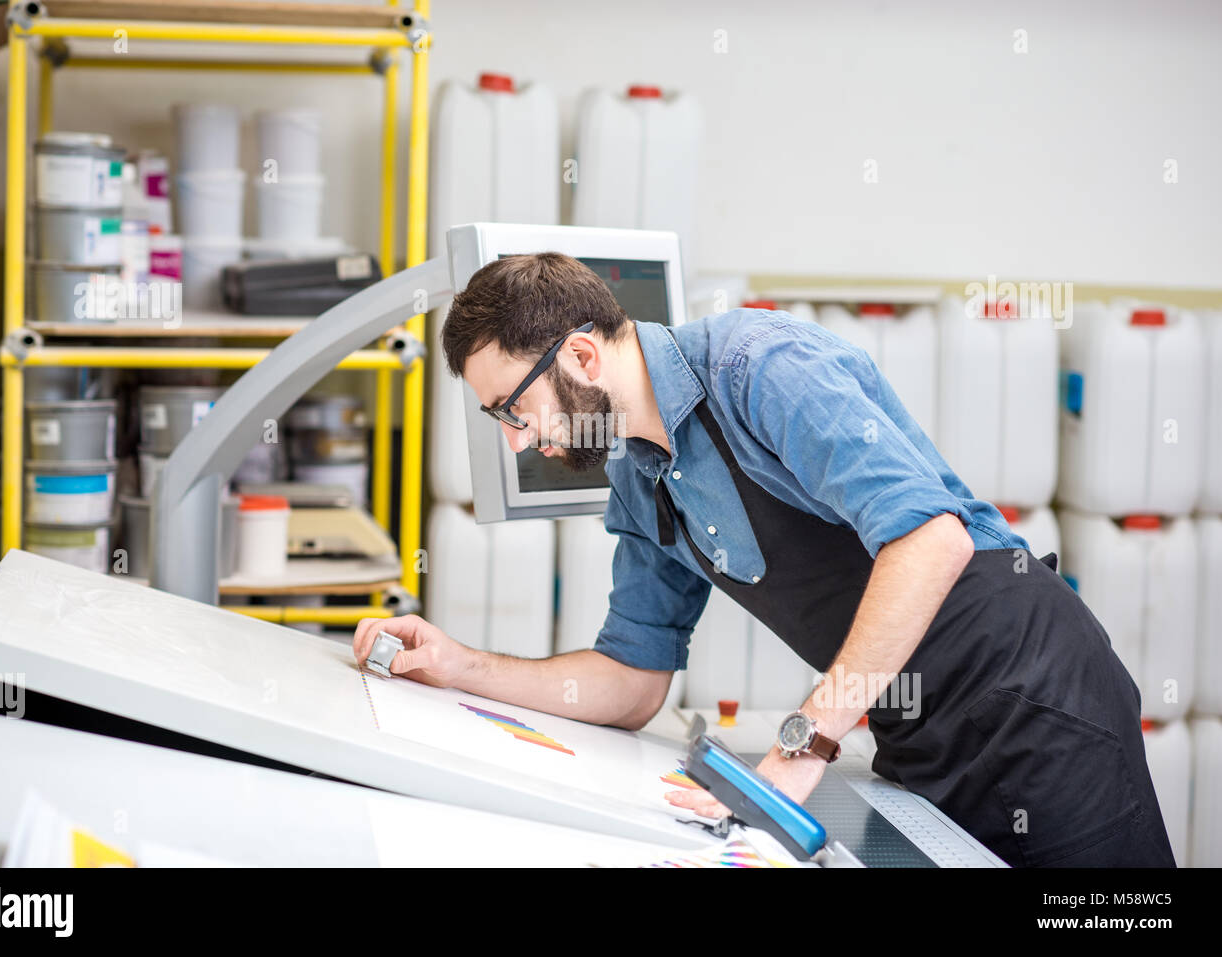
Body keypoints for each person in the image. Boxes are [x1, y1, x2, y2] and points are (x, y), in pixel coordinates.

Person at [354, 252, 1175, 868]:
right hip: (915, 728)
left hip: (1034, 698)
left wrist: (800, 746)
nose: (515, 436)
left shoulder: (759, 367)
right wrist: (464, 666)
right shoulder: (639, 478)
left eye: (511, 405)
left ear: (579, 357)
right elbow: (631, 679)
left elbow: (931, 539)